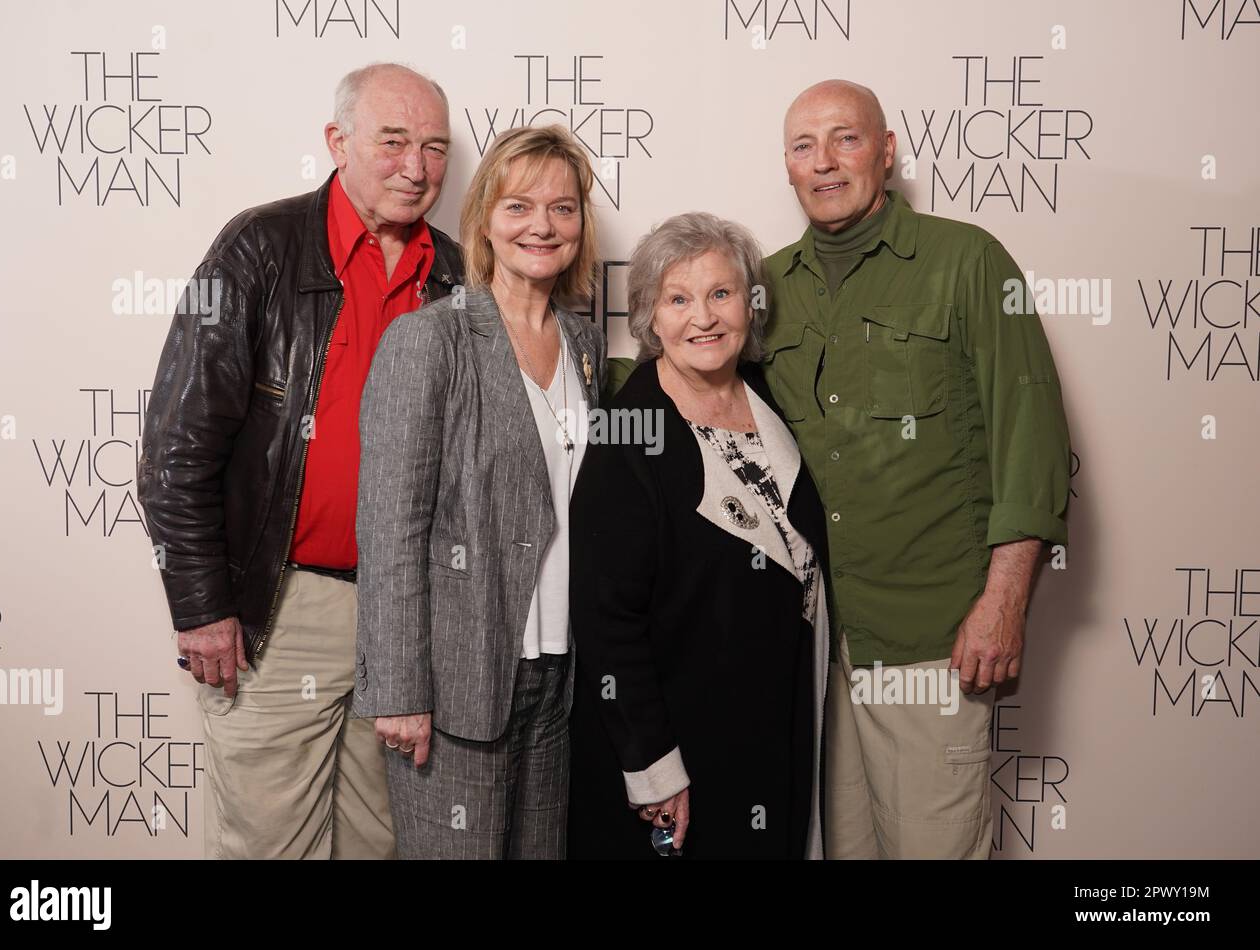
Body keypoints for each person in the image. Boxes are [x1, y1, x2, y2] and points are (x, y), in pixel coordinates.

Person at [136, 63, 465, 859]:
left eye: (434, 147)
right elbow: (176, 446)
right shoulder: (261, 247)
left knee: (382, 844)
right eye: (393, 142)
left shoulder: (458, 272)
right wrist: (203, 605)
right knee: (269, 845)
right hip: (281, 609)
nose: (415, 168)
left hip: (408, 615)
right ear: (337, 142)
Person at [764, 79, 1071, 859]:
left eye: (847, 138)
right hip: (818, 650)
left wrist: (1005, 600)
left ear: (888, 151)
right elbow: (690, 382)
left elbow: (1030, 434)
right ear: (788, 166)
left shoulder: (967, 260)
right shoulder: (766, 287)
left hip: (935, 640)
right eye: (805, 146)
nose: (825, 162)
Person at [354, 125, 607, 859]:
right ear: (486, 220)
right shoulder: (430, 339)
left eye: (563, 209)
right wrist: (401, 687)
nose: (542, 226)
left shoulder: (584, 343)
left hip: (559, 675)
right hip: (458, 678)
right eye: (519, 205)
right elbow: (391, 526)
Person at [567, 212, 829, 860]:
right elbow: (606, 619)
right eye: (678, 299)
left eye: (720, 294)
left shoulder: (772, 400)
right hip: (676, 751)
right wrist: (654, 768)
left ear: (749, 304)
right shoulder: (627, 432)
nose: (703, 318)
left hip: (772, 730)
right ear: (651, 318)